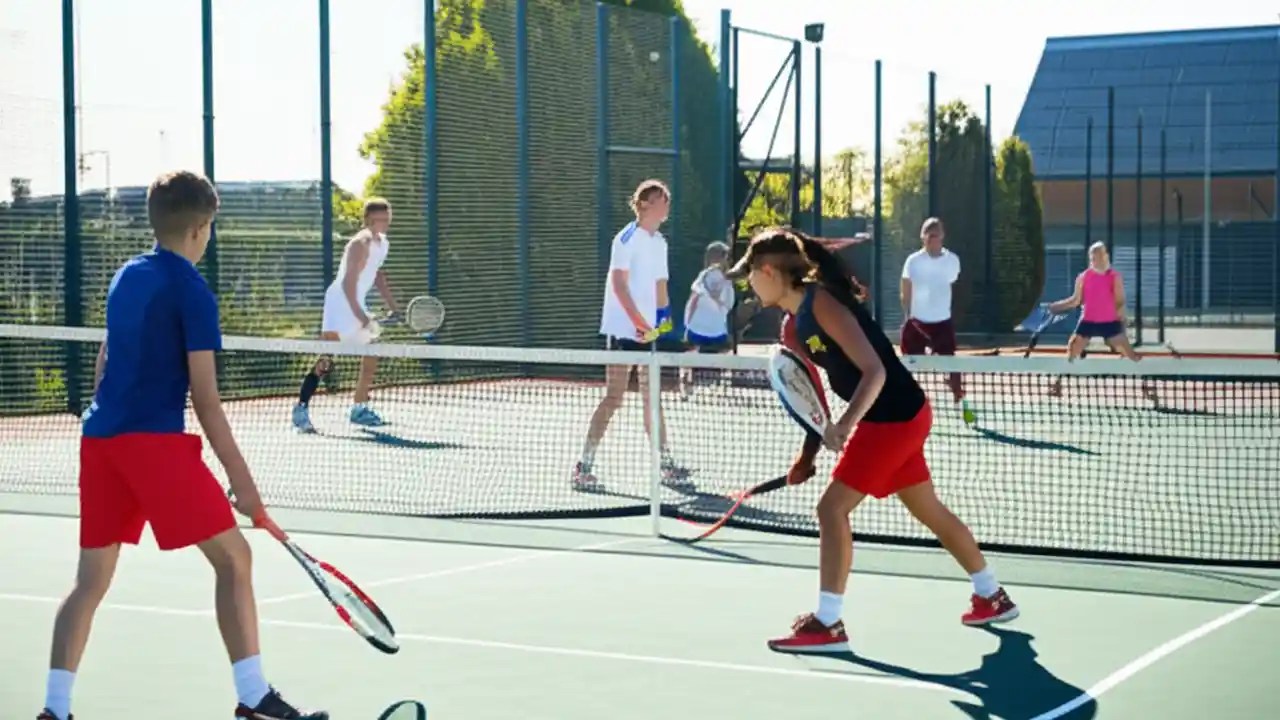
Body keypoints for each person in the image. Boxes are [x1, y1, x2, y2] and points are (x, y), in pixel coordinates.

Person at [38, 171, 327, 719]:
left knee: (88, 583)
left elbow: (105, 362)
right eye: (211, 226)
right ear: (200, 229)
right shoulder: (192, 290)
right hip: (152, 446)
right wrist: (243, 483)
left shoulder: (126, 276)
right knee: (235, 559)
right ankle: (255, 699)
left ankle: (54, 710)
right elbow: (207, 399)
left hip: (100, 441)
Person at [728, 226, 1019, 654]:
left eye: (750, 273)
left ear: (769, 271)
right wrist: (807, 453)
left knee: (831, 510)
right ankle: (991, 595)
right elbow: (810, 392)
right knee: (927, 508)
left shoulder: (822, 303)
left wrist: (845, 425)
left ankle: (827, 623)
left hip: (894, 416)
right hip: (899, 415)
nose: (748, 282)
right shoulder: (792, 329)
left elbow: (875, 371)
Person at [572, 179, 688, 491]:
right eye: (662, 200)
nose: (667, 205)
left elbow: (660, 288)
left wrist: (664, 324)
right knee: (614, 397)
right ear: (645, 204)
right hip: (622, 331)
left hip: (648, 333)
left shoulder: (660, 243)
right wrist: (638, 323)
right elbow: (619, 286)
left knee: (653, 399)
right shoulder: (624, 239)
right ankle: (584, 466)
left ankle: (665, 465)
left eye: (668, 199)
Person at [292, 198, 400, 432]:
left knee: (372, 350)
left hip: (355, 301)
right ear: (369, 219)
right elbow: (349, 283)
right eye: (381, 218)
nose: (386, 222)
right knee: (327, 359)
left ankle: (359, 407)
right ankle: (301, 409)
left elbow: (378, 275)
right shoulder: (358, 244)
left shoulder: (383, 243)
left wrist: (394, 305)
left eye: (388, 217)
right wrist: (360, 315)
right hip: (340, 302)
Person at [1046, 241, 1154, 399]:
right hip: (1088, 321)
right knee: (1072, 348)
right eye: (1094, 256)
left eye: (1100, 255)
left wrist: (1121, 321)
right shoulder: (1083, 277)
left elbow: (1120, 301)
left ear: (1106, 256)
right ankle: (1057, 385)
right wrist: (1056, 306)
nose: (1097, 259)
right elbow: (1076, 300)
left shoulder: (1114, 277)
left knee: (1128, 353)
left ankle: (1146, 386)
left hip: (1110, 322)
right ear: (1091, 258)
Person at [900, 217, 974, 425]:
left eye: (936, 234)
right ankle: (905, 406)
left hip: (942, 322)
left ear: (942, 236)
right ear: (922, 237)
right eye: (929, 234)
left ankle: (962, 405)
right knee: (907, 366)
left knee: (952, 367)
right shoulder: (913, 261)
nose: (933, 238)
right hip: (916, 323)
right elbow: (905, 287)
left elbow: (950, 280)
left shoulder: (952, 261)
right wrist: (907, 316)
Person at [679, 240, 735, 398]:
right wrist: (688, 323)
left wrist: (721, 305)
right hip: (698, 326)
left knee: (725, 352)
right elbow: (694, 297)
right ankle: (685, 385)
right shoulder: (703, 277)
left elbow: (729, 302)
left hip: (717, 328)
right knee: (690, 354)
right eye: (724, 256)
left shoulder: (727, 279)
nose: (727, 260)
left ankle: (724, 388)